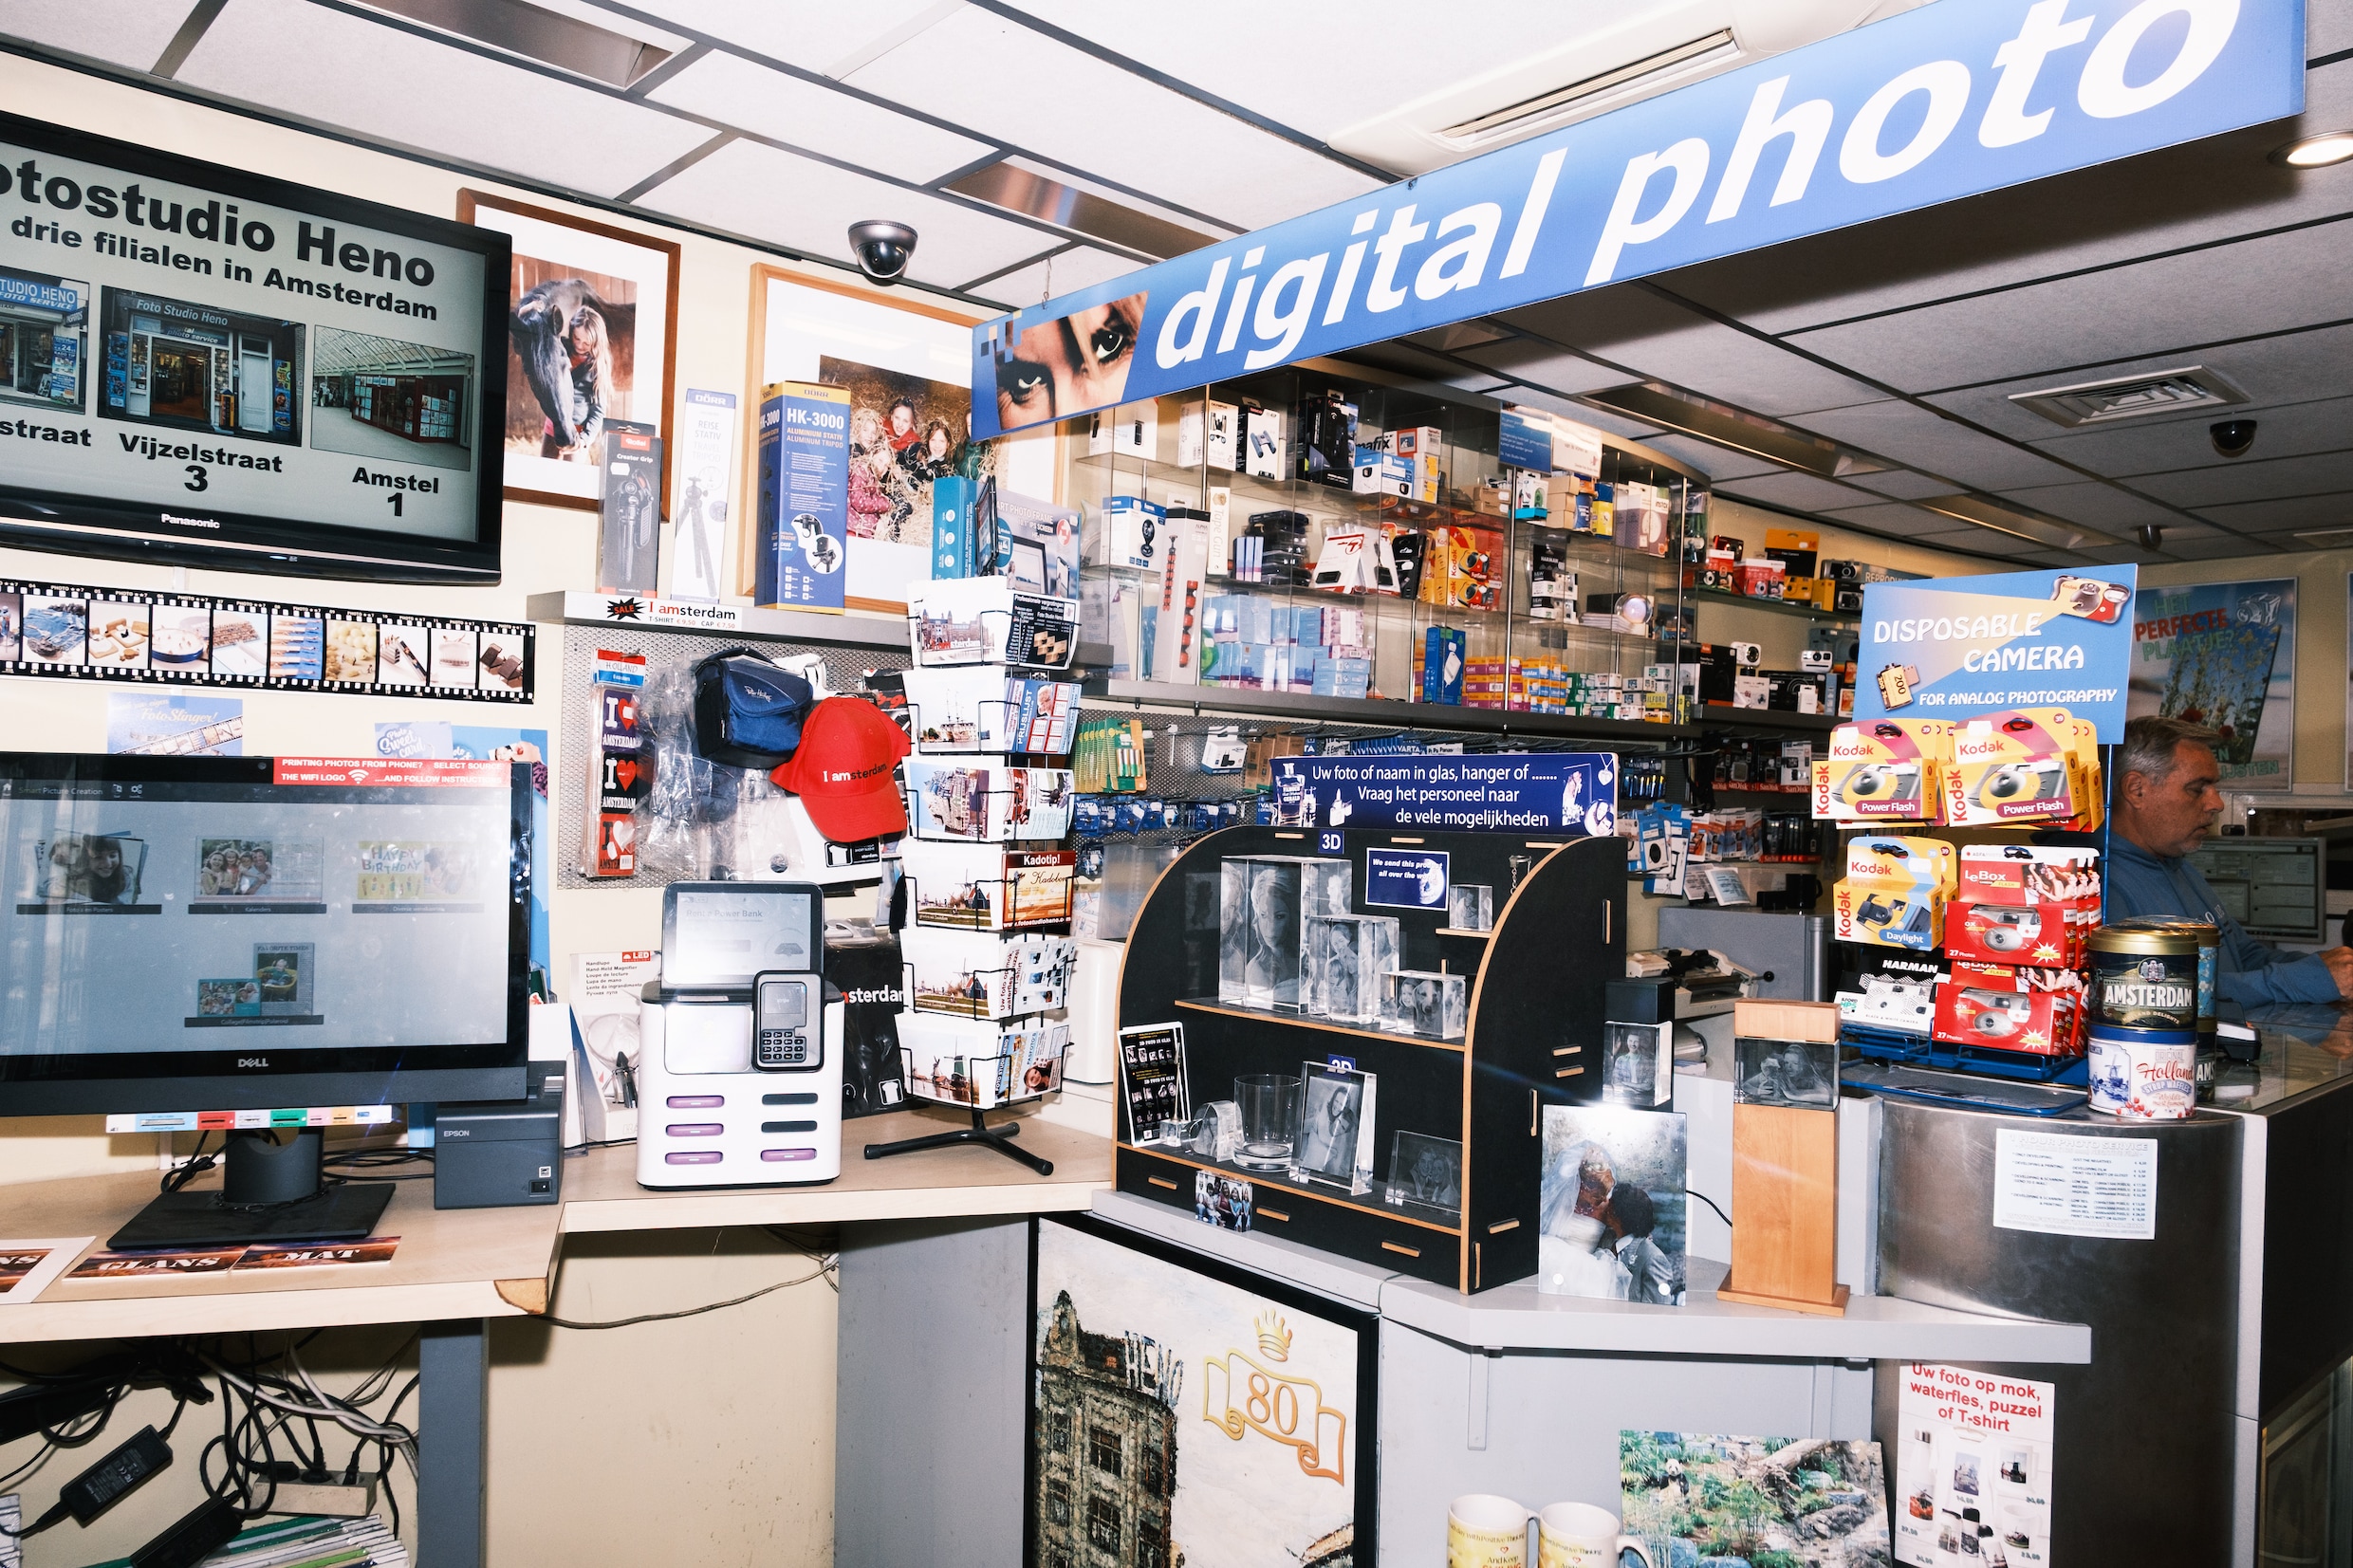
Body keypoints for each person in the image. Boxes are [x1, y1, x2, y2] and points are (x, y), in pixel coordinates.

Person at [2107, 714, 2353, 1005]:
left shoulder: (2179, 866)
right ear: (2137, 790)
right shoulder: (2102, 885)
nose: (2217, 803)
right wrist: (2310, 980)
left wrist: (2327, 967)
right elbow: (2159, 994)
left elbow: (2244, 956)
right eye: (2197, 789)